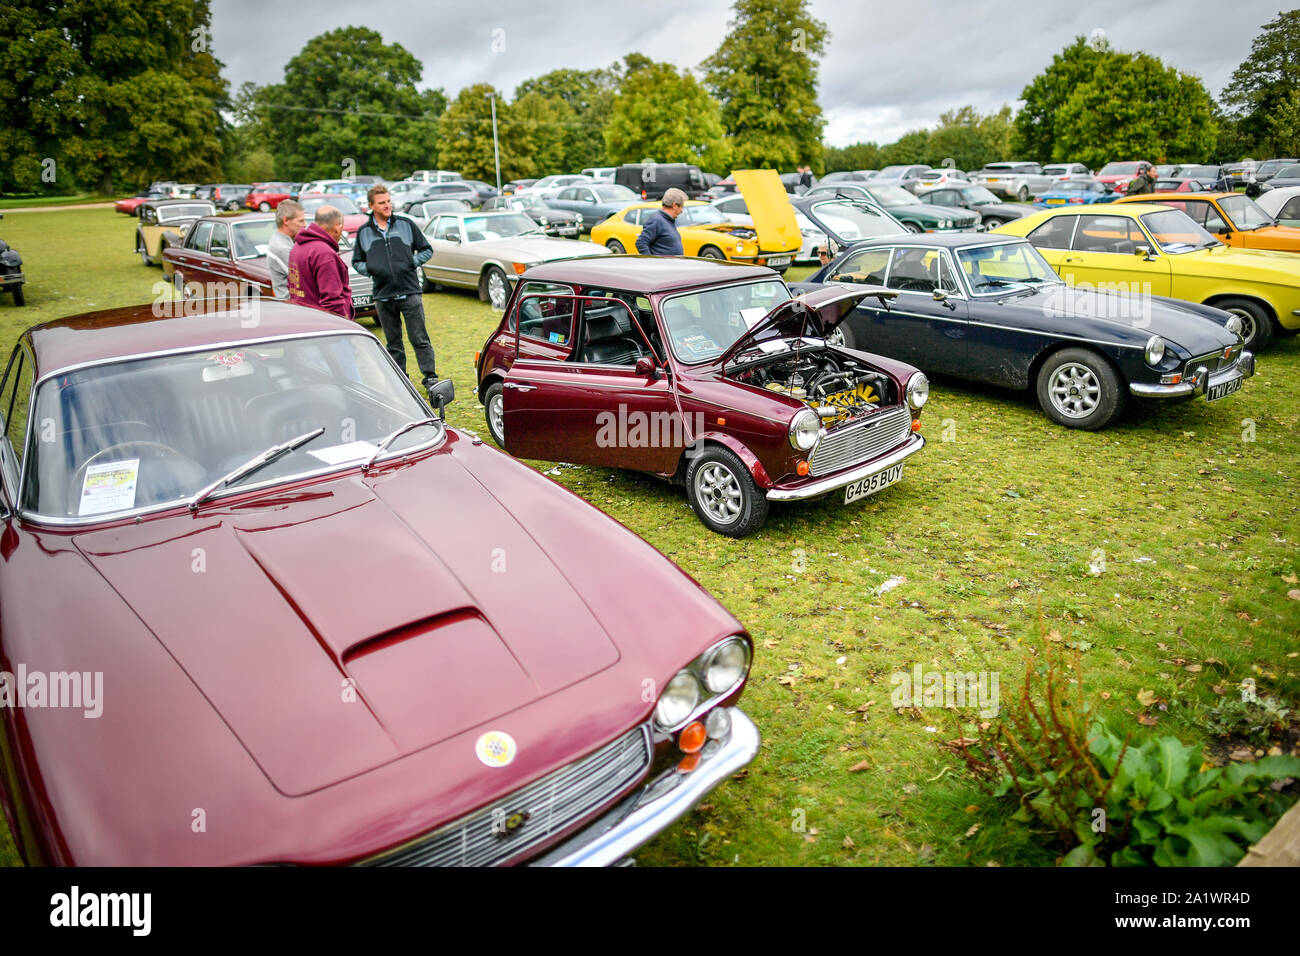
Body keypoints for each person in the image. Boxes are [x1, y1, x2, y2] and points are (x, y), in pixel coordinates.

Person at [351, 185, 438, 391]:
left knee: (420, 339)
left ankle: (430, 378)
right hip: (383, 296)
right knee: (393, 344)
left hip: (410, 292)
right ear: (371, 205)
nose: (387, 205)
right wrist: (372, 269)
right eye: (382, 202)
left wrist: (411, 262)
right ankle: (401, 382)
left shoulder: (406, 224)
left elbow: (427, 249)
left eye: (389, 201)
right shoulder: (364, 232)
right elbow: (357, 261)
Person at [287, 206, 352, 319]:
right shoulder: (325, 254)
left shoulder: (297, 247)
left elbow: (291, 284)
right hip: (325, 325)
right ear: (337, 226)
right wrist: (344, 326)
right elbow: (332, 301)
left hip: (303, 319)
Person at [267, 199, 305, 300]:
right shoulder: (281, 247)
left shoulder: (287, 241)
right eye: (300, 221)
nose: (304, 224)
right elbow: (304, 279)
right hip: (291, 305)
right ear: (286, 220)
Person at [635, 187, 686, 256]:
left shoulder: (668, 220)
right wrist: (652, 261)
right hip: (662, 266)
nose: (682, 211)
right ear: (675, 205)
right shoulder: (656, 220)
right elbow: (641, 243)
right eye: (681, 207)